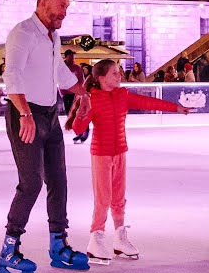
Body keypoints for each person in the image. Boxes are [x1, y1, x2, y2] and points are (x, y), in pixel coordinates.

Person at [0, 0, 90, 273]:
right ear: (43, 3)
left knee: (58, 181)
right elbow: (12, 76)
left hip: (49, 115)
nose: (65, 13)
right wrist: (25, 114)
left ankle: (58, 245)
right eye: (61, 6)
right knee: (31, 182)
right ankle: (8, 251)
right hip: (26, 114)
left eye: (66, 7)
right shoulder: (23, 33)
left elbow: (59, 71)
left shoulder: (52, 36)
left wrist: (82, 91)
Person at [71, 57, 187, 261]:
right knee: (103, 199)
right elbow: (78, 129)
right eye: (115, 73)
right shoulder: (92, 99)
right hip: (101, 154)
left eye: (119, 72)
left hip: (120, 152)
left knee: (118, 198)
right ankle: (96, 238)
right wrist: (81, 112)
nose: (120, 76)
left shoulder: (122, 95)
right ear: (101, 78)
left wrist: (175, 108)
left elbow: (148, 102)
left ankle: (119, 238)